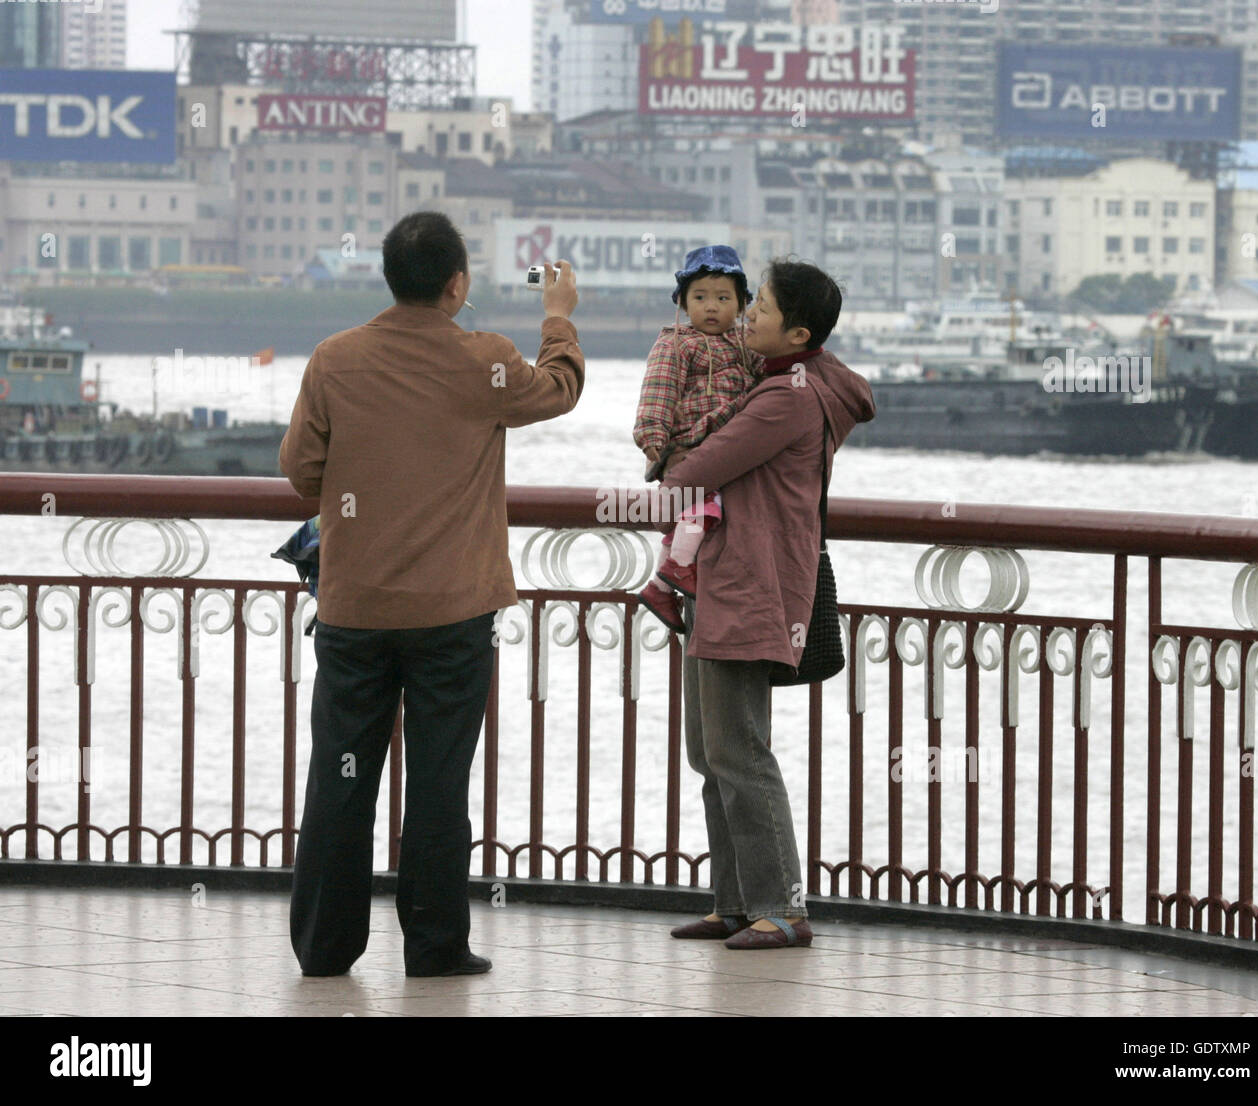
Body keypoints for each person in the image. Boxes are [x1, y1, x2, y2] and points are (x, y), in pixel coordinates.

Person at [279, 212, 582, 977]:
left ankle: (324, 946)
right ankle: (436, 944)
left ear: (388, 276)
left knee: (342, 778)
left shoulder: (334, 359)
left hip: (355, 611)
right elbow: (559, 391)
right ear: (457, 284)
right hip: (452, 614)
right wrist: (558, 319)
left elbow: (300, 472)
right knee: (440, 781)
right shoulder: (483, 361)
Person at [656, 259, 875, 949]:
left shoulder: (785, 399)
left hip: (751, 587)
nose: (747, 316)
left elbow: (690, 474)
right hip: (729, 581)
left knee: (740, 752)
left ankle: (782, 907)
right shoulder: (780, 383)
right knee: (710, 752)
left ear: (798, 332)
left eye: (762, 310)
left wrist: (671, 449)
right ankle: (736, 903)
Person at [632, 245, 764, 633]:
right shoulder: (677, 342)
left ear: (741, 305)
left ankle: (659, 587)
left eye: (723, 299)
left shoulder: (745, 344)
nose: (711, 307)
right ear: (683, 303)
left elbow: (771, 373)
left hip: (726, 445)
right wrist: (651, 435)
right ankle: (680, 568)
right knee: (707, 506)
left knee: (691, 515)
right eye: (700, 298)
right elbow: (658, 390)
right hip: (692, 443)